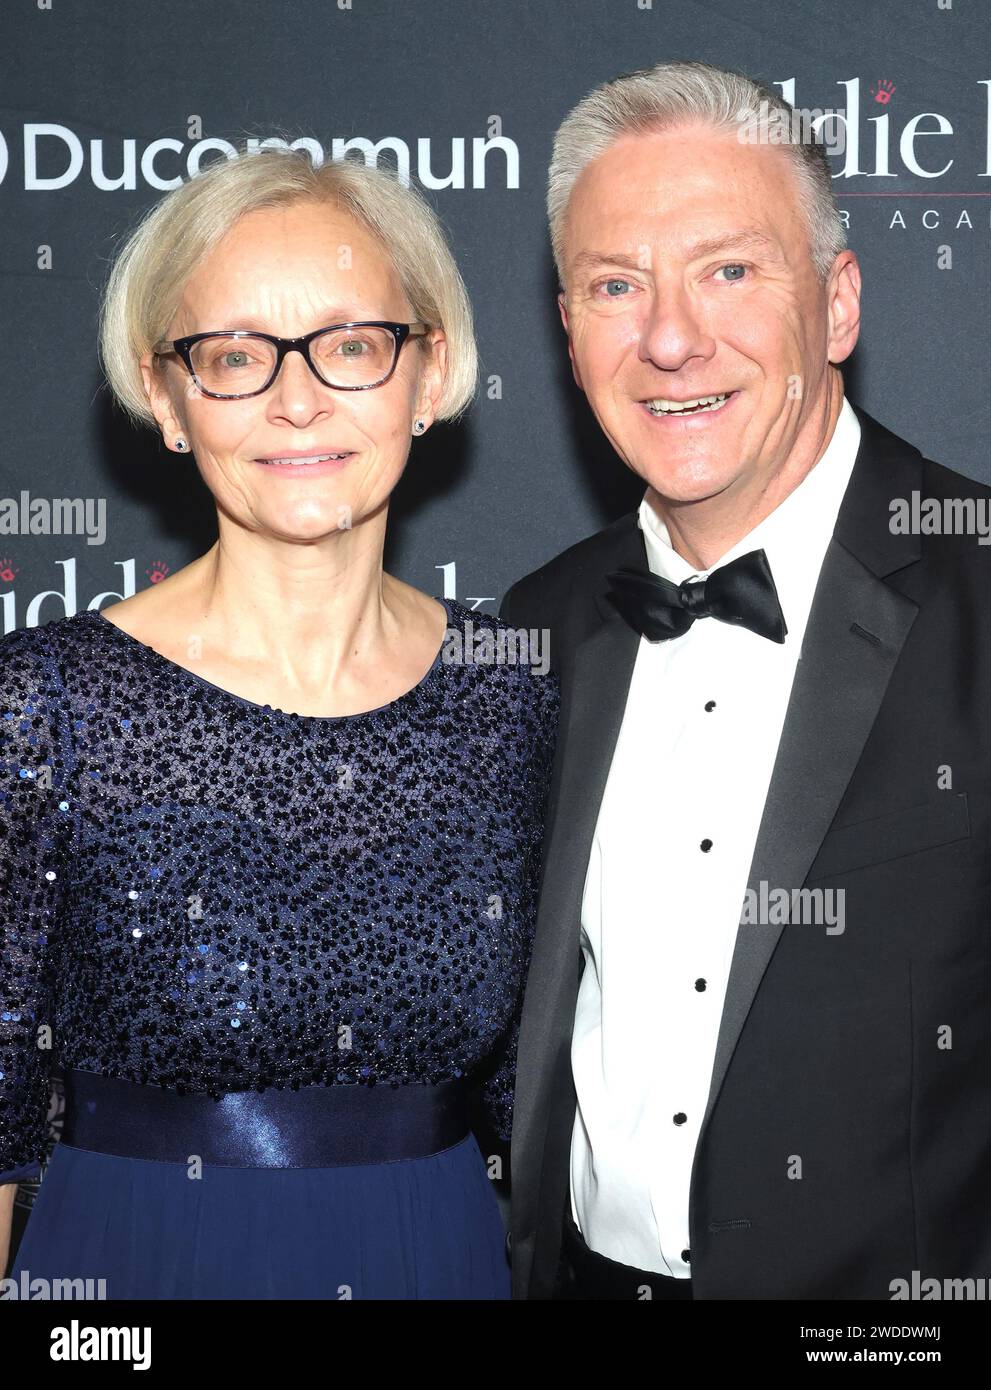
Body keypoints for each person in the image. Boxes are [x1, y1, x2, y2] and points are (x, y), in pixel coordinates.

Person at [0, 145, 558, 1299]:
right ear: (166, 397)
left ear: (429, 371)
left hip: (439, 1264)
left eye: (351, 343)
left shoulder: (514, 692)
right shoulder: (43, 705)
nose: (296, 398)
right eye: (237, 355)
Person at [501, 58, 991, 1300]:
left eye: (728, 270)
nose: (670, 337)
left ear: (835, 307)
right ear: (568, 334)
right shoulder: (536, 628)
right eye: (617, 285)